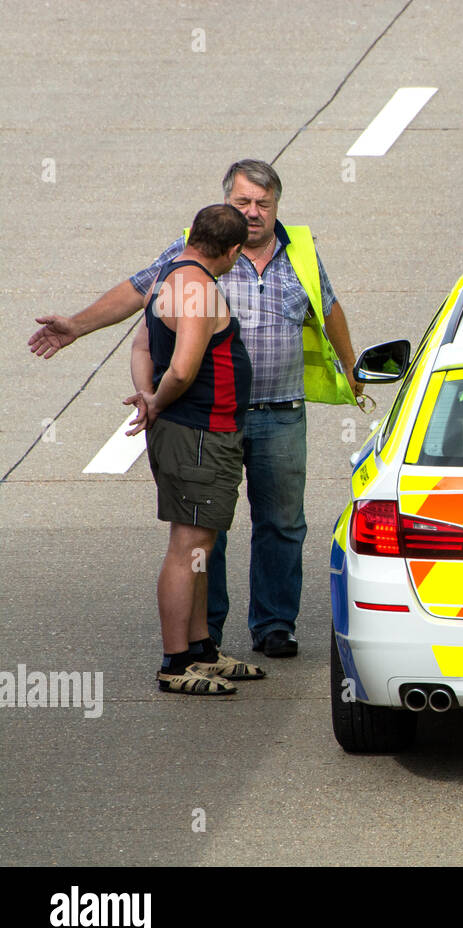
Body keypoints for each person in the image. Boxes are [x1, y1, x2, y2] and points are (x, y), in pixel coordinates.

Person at [31, 159, 363, 659]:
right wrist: (76, 326)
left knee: (282, 523)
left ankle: (275, 625)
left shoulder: (303, 254)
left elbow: (329, 307)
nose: (252, 213)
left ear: (277, 207)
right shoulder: (199, 250)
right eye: (242, 202)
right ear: (225, 204)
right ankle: (203, 632)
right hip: (213, 417)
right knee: (209, 531)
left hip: (279, 413)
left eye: (262, 204)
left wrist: (352, 367)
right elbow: (136, 291)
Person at [123, 204, 262, 694]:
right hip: (201, 434)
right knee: (189, 548)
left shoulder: (167, 277)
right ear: (230, 250)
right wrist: (157, 401)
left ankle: (202, 648)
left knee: (201, 544)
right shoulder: (200, 289)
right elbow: (182, 369)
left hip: (190, 434)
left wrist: (146, 395)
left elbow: (142, 347)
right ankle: (175, 662)